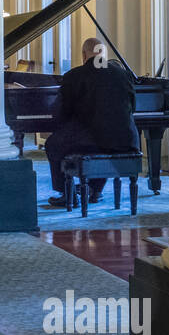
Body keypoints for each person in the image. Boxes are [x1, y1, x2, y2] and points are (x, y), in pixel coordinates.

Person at [43, 37, 138, 208]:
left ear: (84, 55)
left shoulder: (73, 76)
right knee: (105, 141)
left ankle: (66, 193)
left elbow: (63, 112)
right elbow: (133, 107)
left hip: (89, 139)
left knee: (53, 144)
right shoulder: (124, 75)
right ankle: (95, 190)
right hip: (123, 139)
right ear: (104, 54)